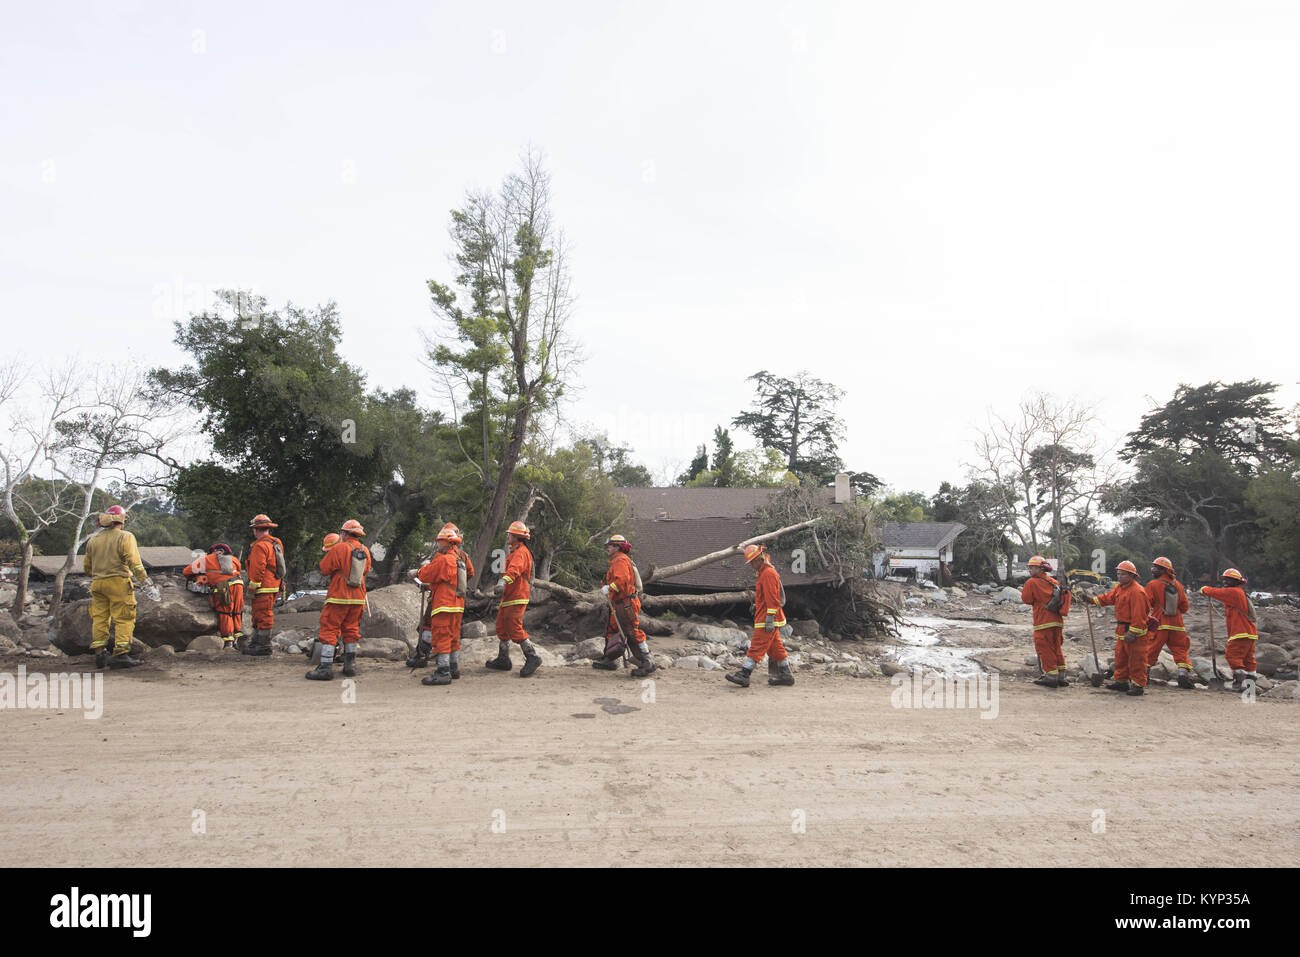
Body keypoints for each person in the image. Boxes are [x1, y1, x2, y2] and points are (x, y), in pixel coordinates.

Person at [83, 505, 159, 669]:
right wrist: (145, 581)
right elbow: (134, 562)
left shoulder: (93, 540)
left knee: (99, 618)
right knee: (124, 617)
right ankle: (120, 655)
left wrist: (98, 575)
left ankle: (99, 653)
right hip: (118, 582)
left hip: (97, 584)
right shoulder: (125, 537)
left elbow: (87, 568)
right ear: (121, 520)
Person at [307, 520, 371, 680]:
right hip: (358, 598)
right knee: (351, 630)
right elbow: (366, 570)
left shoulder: (339, 548)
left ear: (344, 533)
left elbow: (324, 568)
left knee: (329, 628)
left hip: (339, 597)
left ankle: (326, 668)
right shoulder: (366, 551)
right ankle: (350, 666)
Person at [412, 524, 475, 687]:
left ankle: (443, 672)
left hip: (443, 605)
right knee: (453, 636)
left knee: (441, 637)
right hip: (457, 605)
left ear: (447, 543)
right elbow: (470, 573)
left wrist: (416, 572)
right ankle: (454, 668)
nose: (437, 544)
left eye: (439, 542)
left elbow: (427, 574)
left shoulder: (443, 559)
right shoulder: (459, 558)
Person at [725, 544, 795, 687]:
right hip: (768, 617)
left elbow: (773, 599)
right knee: (775, 648)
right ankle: (786, 674)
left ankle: (744, 674)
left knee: (757, 646)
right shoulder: (766, 573)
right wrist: (758, 606)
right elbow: (768, 598)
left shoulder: (768, 574)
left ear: (759, 559)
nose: (751, 565)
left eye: (752, 562)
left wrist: (769, 617)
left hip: (767, 619)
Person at [592, 534, 656, 678]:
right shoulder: (617, 560)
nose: (607, 548)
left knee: (631, 631)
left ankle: (647, 661)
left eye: (610, 545)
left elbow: (621, 581)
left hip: (626, 604)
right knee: (612, 630)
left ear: (617, 547)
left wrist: (610, 588)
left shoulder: (620, 560)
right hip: (619, 603)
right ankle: (609, 659)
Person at [485, 521, 543, 677]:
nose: (508, 536)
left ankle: (533, 656)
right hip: (510, 596)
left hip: (517, 596)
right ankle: (503, 659)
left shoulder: (521, 553)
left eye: (510, 534)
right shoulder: (515, 552)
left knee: (513, 627)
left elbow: (514, 571)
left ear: (517, 537)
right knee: (502, 627)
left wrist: (503, 582)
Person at [1089, 560, 1152, 696]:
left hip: (1134, 631)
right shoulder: (1121, 588)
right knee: (1120, 657)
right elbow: (1108, 598)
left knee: (1136, 659)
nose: (1119, 576)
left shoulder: (1137, 591)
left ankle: (1138, 685)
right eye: (1118, 574)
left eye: (1122, 574)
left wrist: (1133, 632)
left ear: (1131, 575)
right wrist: (1091, 600)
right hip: (1122, 629)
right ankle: (1121, 682)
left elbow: (1139, 615)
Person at [1200, 568, 1258, 692]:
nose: (1225, 581)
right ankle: (1251, 687)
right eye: (1225, 579)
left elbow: (1217, 593)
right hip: (1249, 633)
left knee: (1232, 656)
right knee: (1248, 660)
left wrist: (1205, 589)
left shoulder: (1234, 592)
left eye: (1229, 579)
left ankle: (1239, 683)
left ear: (1236, 581)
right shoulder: (1239, 592)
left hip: (1240, 633)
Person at [1020, 555, 1072, 688]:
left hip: (1043, 621)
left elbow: (1026, 599)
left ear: (1040, 568)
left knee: (1045, 648)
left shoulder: (1031, 582)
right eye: (1030, 567)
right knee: (1056, 647)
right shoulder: (1054, 582)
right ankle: (1061, 675)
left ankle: (1050, 676)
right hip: (1057, 621)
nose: (1030, 570)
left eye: (1032, 567)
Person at [183, 544, 245, 649]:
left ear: (213, 551)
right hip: (239, 585)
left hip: (223, 586)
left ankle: (228, 642)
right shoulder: (234, 559)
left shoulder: (206, 559)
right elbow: (238, 569)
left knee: (225, 612)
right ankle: (237, 639)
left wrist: (200, 575)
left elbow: (186, 571)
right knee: (237, 611)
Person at [1145, 556, 1194, 689]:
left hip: (1159, 622)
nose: (1153, 569)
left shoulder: (1152, 585)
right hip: (1177, 624)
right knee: (1180, 650)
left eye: (1155, 567)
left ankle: (1144, 675)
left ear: (1163, 570)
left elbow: (1146, 604)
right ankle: (1183, 674)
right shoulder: (1178, 585)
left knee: (1150, 649)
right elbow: (1185, 607)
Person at [243, 514, 286, 657]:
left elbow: (257, 569)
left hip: (263, 587)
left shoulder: (260, 546)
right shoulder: (275, 543)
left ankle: (264, 646)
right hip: (274, 585)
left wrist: (252, 587)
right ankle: (255, 643)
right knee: (258, 615)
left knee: (263, 616)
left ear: (256, 529)